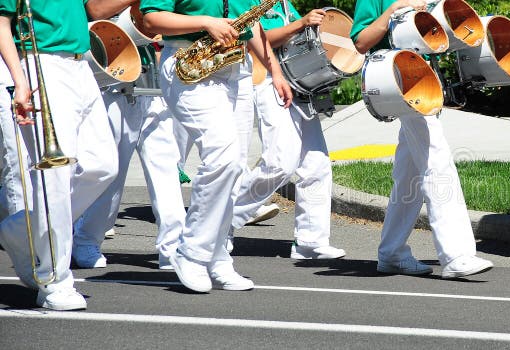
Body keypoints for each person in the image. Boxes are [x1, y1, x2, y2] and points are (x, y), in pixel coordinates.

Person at [141, 0, 292, 292]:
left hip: (238, 68)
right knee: (222, 157)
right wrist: (205, 22)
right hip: (190, 62)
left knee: (234, 167)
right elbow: (151, 19)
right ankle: (192, 252)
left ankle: (218, 257)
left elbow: (253, 23)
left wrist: (276, 72)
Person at [350, 0, 493, 278]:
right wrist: (393, 10)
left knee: (410, 174)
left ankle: (391, 253)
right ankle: (456, 255)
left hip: (425, 81)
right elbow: (361, 41)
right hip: (398, 80)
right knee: (437, 162)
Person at [0, 0, 118, 310]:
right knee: (54, 179)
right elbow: (2, 23)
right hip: (42, 63)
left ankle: (23, 227)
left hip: (81, 64)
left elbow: (93, 9)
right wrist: (20, 81)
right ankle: (53, 281)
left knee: (103, 165)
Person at [73, 0, 186, 271]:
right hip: (110, 82)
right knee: (112, 173)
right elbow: (95, 10)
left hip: (148, 80)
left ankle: (173, 246)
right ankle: (86, 239)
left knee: (167, 168)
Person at [227, 1, 345, 259]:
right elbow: (259, 38)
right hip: (269, 81)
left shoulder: (284, 4)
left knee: (317, 164)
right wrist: (301, 23)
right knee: (280, 162)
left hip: (300, 84)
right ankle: (220, 222)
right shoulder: (254, 3)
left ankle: (310, 242)